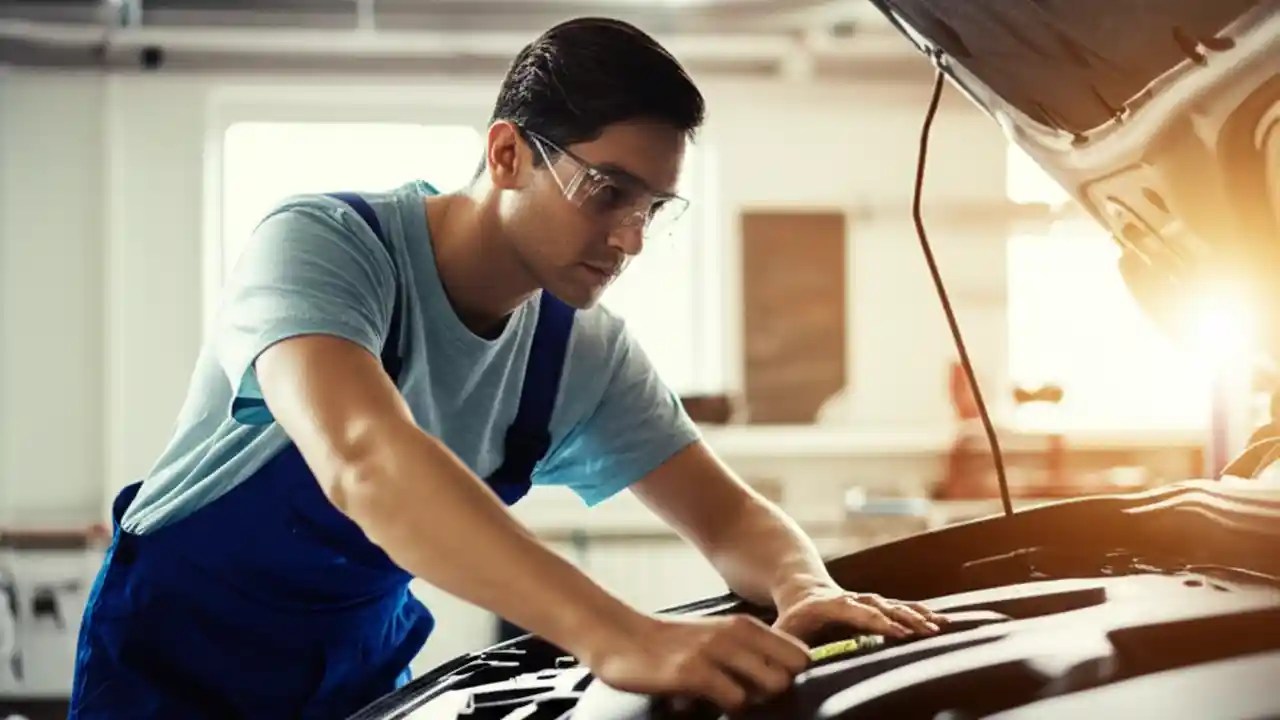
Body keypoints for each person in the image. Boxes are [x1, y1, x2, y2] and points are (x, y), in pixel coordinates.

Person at [69, 16, 944, 718]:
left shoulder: (582, 352)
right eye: (607, 192)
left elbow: (729, 518)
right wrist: (616, 634)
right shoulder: (326, 246)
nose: (631, 240)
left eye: (654, 209)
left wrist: (804, 587)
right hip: (170, 658)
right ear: (506, 154)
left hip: (352, 665)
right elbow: (363, 459)